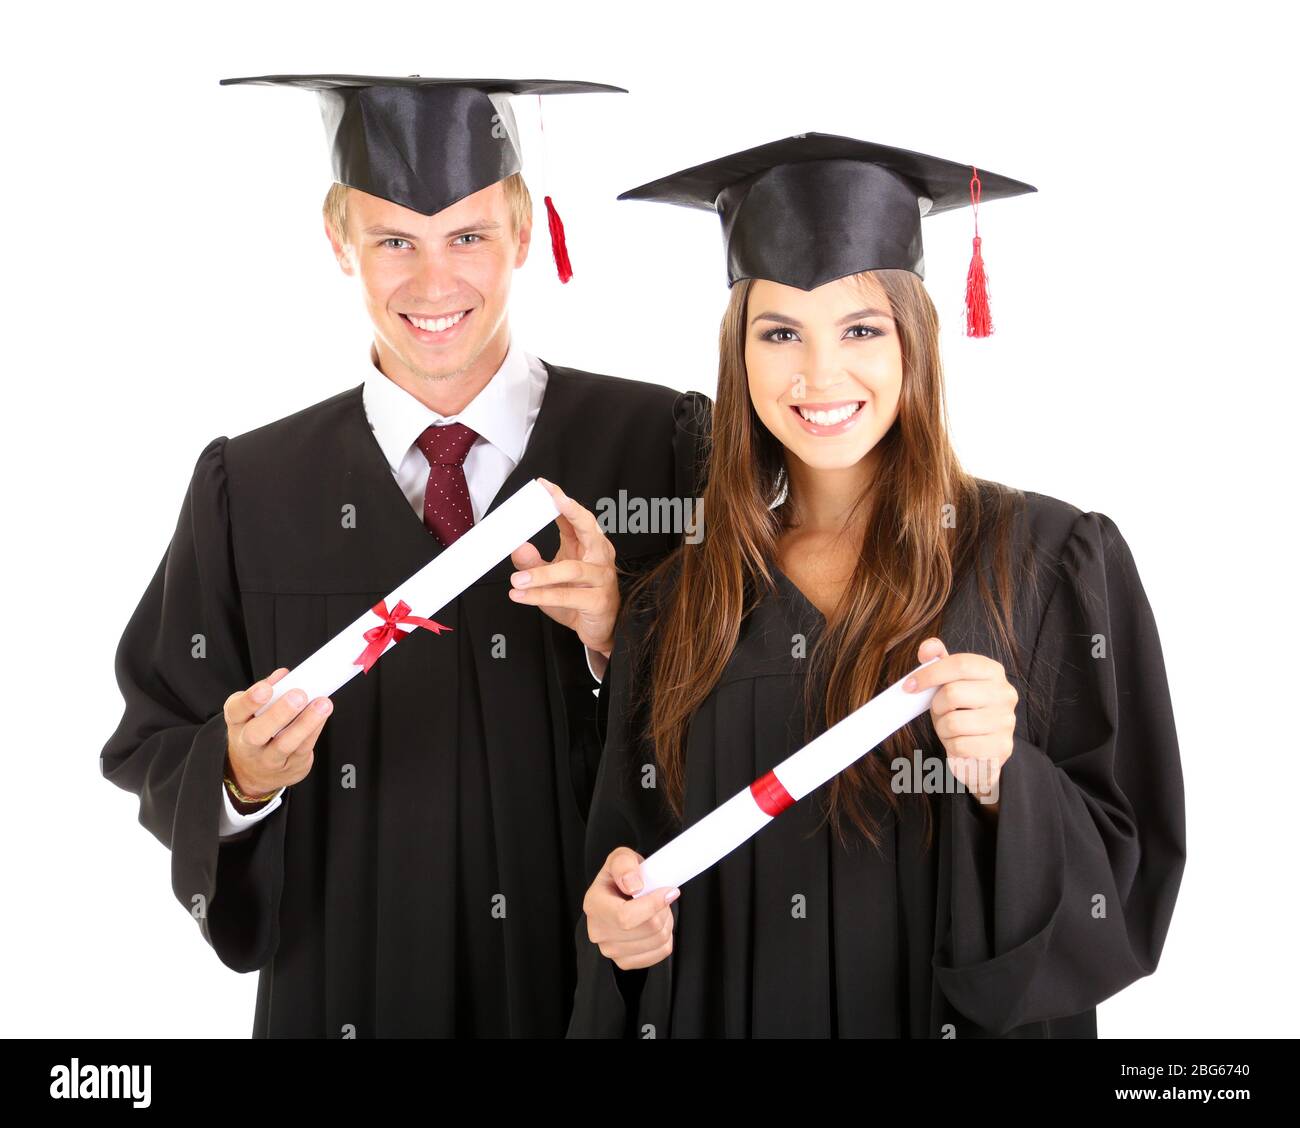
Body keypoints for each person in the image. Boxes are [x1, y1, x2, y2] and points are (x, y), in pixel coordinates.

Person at [100, 74, 712, 1038]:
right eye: (395, 241)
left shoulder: (662, 448)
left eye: (468, 236)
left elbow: (770, 704)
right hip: (347, 988)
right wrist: (239, 778)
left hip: (594, 990)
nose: (434, 284)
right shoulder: (250, 489)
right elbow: (157, 735)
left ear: (523, 231)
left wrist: (622, 629)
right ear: (340, 241)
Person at [568, 133, 1186, 1038]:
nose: (819, 375)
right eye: (780, 334)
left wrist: (1003, 779)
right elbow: (626, 868)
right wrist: (620, 928)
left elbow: (1128, 881)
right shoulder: (676, 602)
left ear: (917, 343)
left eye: (861, 330)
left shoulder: (1049, 559)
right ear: (740, 357)